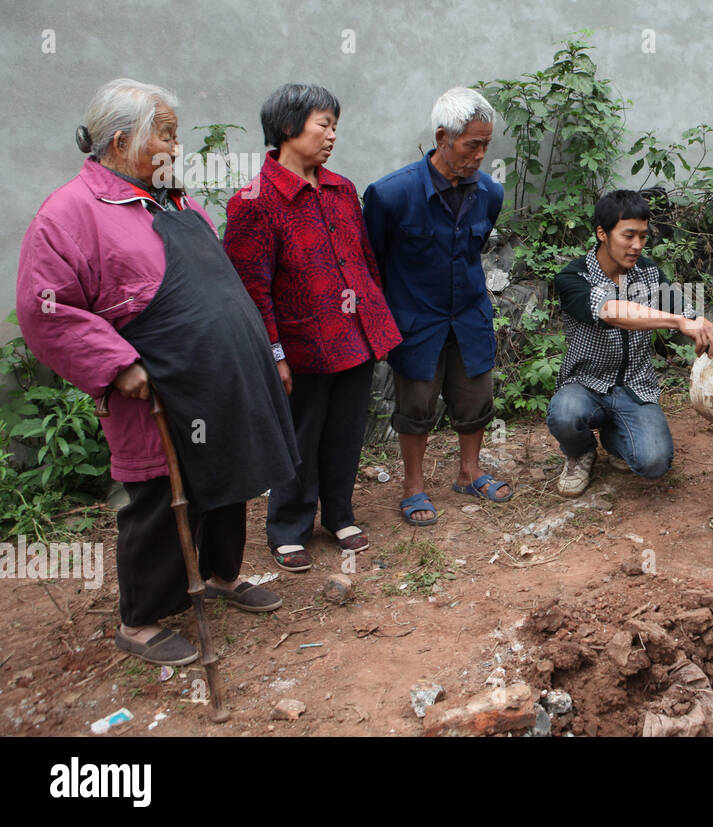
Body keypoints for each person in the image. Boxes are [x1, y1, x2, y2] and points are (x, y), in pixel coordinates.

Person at [16, 78, 298, 666]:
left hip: (218, 382)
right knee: (157, 499)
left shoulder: (175, 199)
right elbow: (45, 309)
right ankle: (141, 620)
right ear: (121, 141)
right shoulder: (70, 213)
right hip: (155, 388)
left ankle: (222, 575)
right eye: (167, 134)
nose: (177, 146)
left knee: (228, 480)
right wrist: (115, 365)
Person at [224, 84, 401, 572]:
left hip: (354, 338)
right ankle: (288, 526)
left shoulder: (341, 189)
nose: (332, 135)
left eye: (334, 127)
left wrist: (376, 324)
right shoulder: (253, 203)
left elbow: (364, 261)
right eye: (323, 124)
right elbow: (251, 290)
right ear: (288, 127)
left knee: (346, 432)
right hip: (301, 344)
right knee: (299, 438)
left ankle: (339, 514)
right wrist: (273, 352)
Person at [363, 87, 511, 525]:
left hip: (468, 314)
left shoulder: (489, 193)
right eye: (473, 145)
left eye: (487, 145)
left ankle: (470, 472)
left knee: (475, 397)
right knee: (416, 407)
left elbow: (474, 246)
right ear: (443, 137)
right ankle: (414, 486)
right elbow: (373, 263)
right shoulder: (390, 195)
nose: (482, 155)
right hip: (416, 319)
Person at [547, 190, 713, 497]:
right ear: (602, 233)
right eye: (628, 236)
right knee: (566, 413)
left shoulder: (649, 273)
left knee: (654, 463)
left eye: (643, 236)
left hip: (634, 387)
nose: (637, 245)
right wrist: (676, 321)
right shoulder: (574, 277)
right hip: (584, 384)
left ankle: (615, 438)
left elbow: (685, 316)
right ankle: (580, 451)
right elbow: (611, 311)